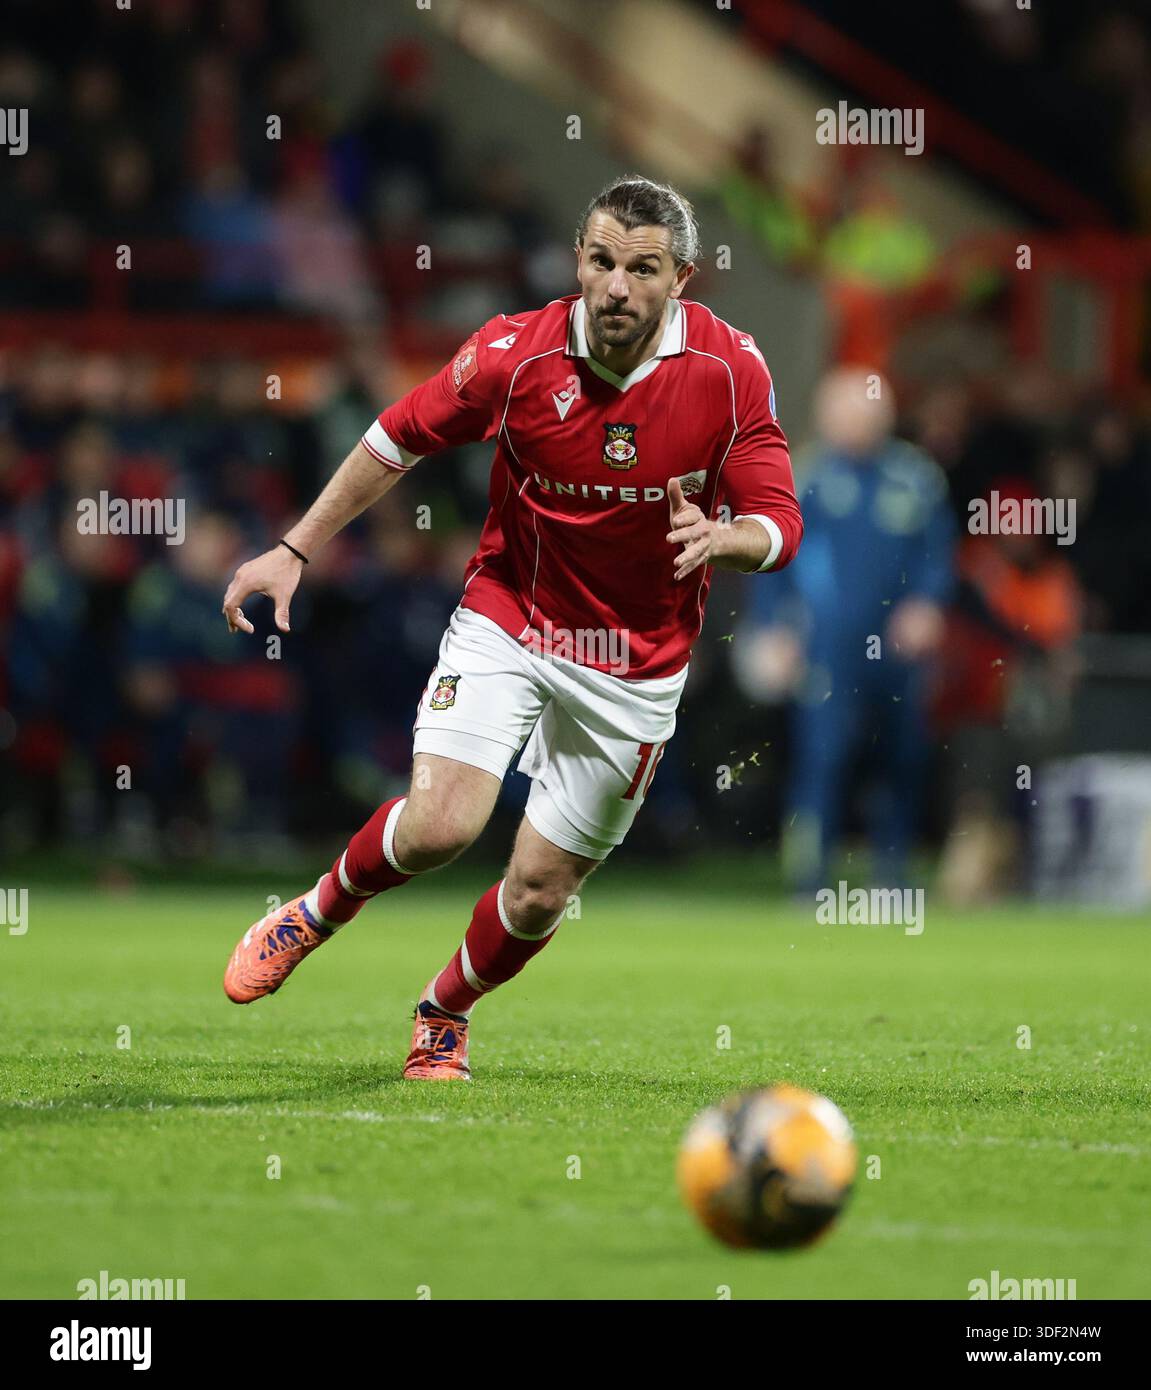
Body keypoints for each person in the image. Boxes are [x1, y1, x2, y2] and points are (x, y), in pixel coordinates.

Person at [219, 174, 803, 1080]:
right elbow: (395, 436)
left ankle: (442, 1009)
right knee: (439, 829)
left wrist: (731, 538)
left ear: (680, 277)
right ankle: (314, 911)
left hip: (636, 662)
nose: (616, 286)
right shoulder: (513, 355)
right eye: (601, 261)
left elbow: (780, 520)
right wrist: (295, 548)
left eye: (641, 269)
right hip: (513, 618)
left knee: (537, 894)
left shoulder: (730, 370)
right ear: (577, 259)